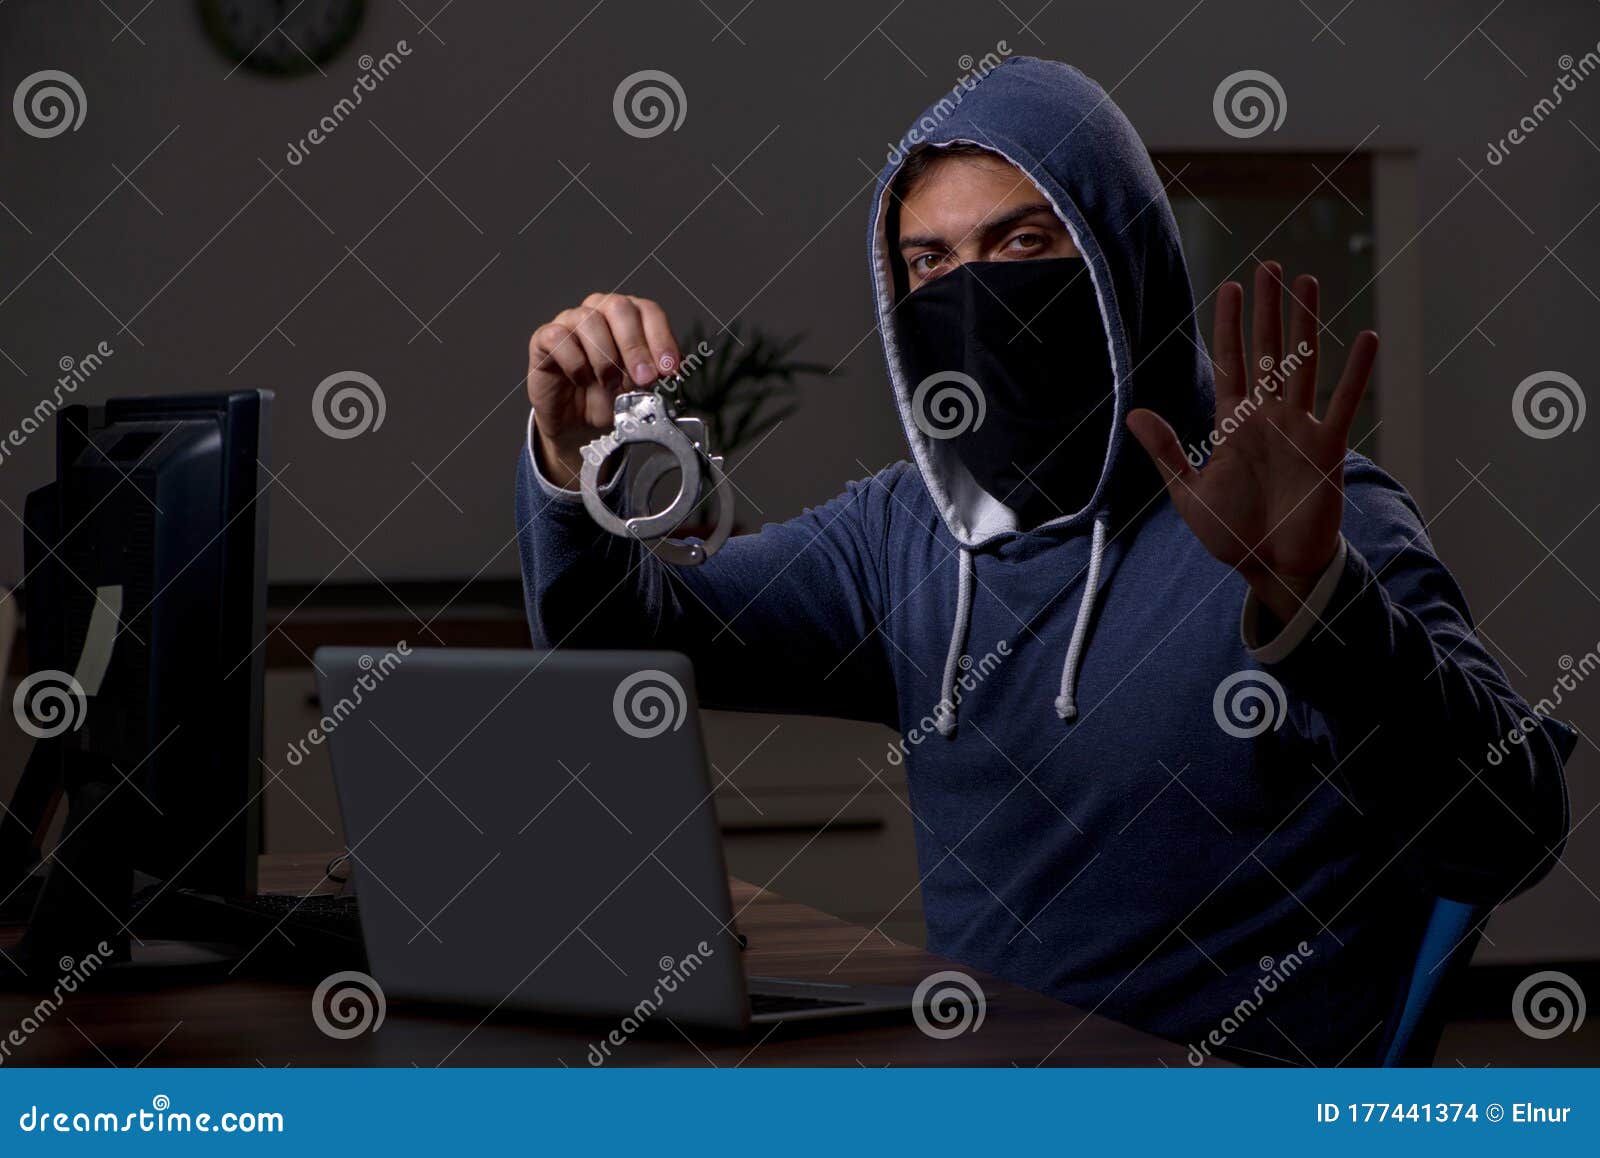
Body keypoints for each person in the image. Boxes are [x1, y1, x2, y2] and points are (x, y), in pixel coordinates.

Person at [515, 57, 1571, 1064]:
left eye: (1021, 246)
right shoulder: (902, 538)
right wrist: (569, 463)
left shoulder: (1318, 527)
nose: (971, 297)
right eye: (929, 265)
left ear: (1125, 260)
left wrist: (1314, 600)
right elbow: (618, 639)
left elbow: (1507, 835)